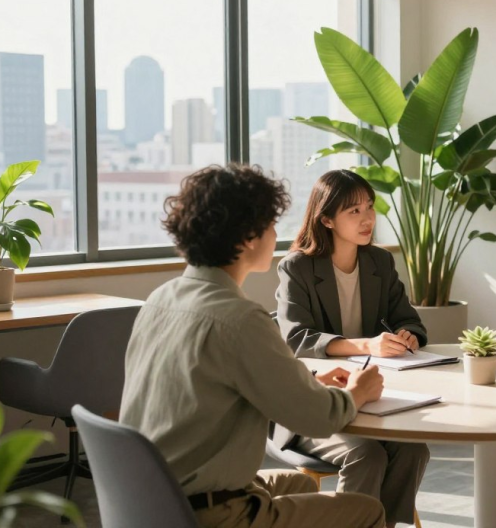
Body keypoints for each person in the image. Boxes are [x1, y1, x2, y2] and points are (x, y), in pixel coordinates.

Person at [120, 164, 386, 528]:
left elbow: (216, 384)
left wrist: (305, 383)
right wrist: (357, 392)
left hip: (151, 499)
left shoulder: (161, 299)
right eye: (270, 224)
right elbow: (318, 418)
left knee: (294, 481)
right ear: (248, 237)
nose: (276, 234)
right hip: (209, 513)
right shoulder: (239, 318)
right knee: (366, 510)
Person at [273, 169, 429, 528]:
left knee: (413, 449)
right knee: (367, 455)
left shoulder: (379, 262)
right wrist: (365, 344)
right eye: (354, 211)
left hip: (372, 398)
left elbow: (411, 320)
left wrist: (407, 335)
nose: (367, 218)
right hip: (313, 402)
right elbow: (296, 338)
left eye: (369, 207)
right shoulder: (296, 267)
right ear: (326, 218)